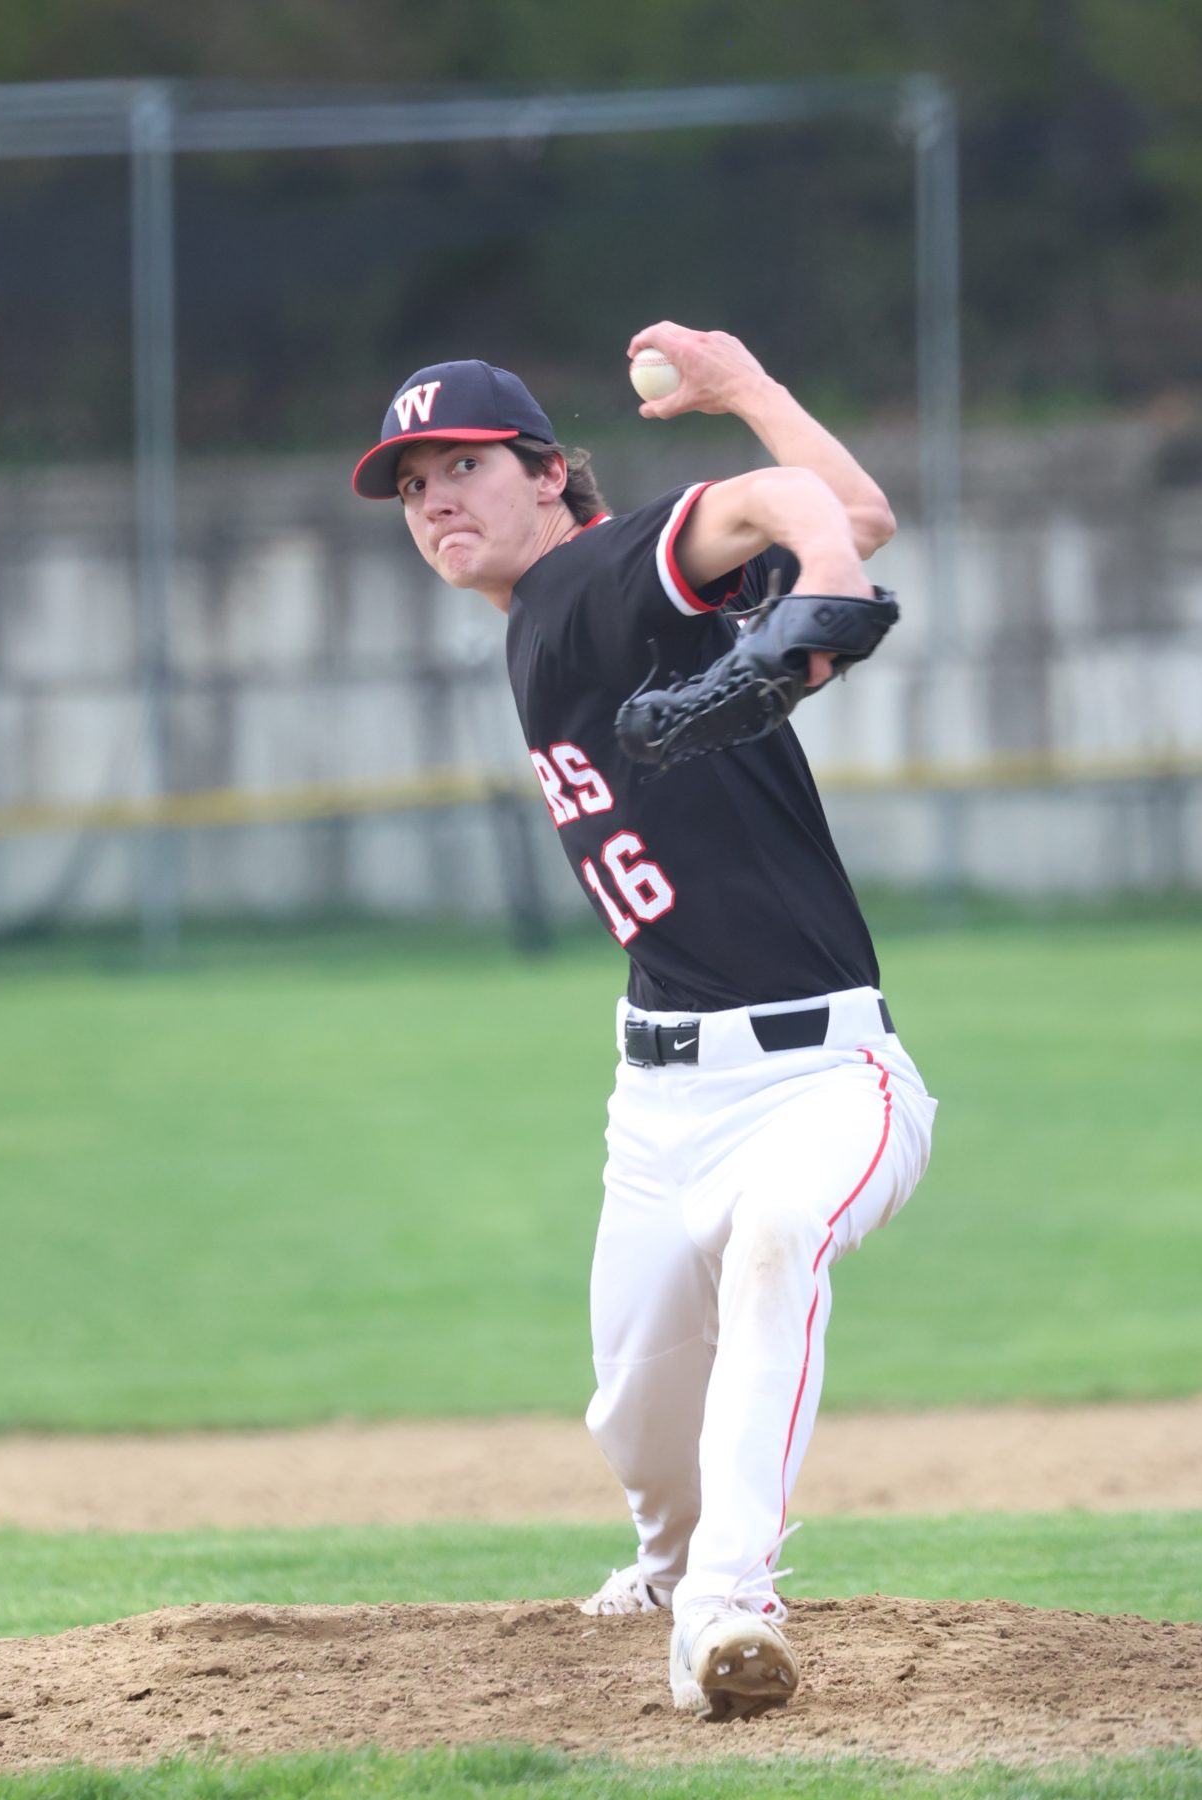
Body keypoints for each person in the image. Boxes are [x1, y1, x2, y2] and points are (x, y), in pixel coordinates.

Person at [351, 322, 937, 1721]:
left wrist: (830, 580)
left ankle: (733, 1606)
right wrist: (747, 398)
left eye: (465, 466)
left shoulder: (588, 576)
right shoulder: (580, 608)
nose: (436, 498)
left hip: (825, 1077)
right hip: (658, 1101)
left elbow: (807, 521)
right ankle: (674, 1568)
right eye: (411, 482)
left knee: (776, 1242)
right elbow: (851, 508)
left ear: (551, 476)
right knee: (633, 1415)